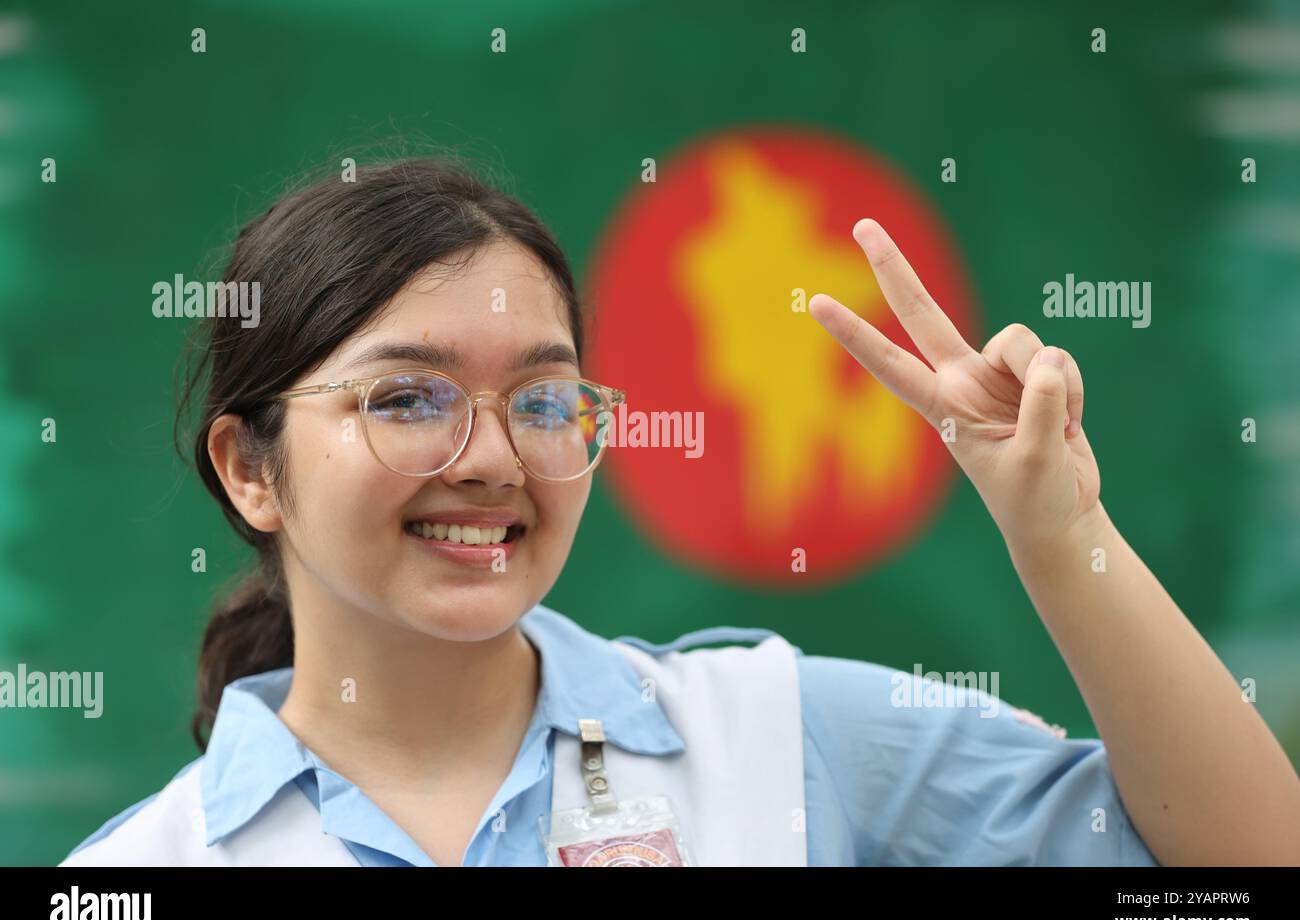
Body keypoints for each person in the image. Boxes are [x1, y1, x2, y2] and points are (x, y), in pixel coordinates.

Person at [60, 157, 1300, 867]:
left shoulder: (781, 735)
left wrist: (1058, 533)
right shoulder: (131, 878)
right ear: (249, 468)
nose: (493, 460)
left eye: (544, 402)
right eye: (408, 396)